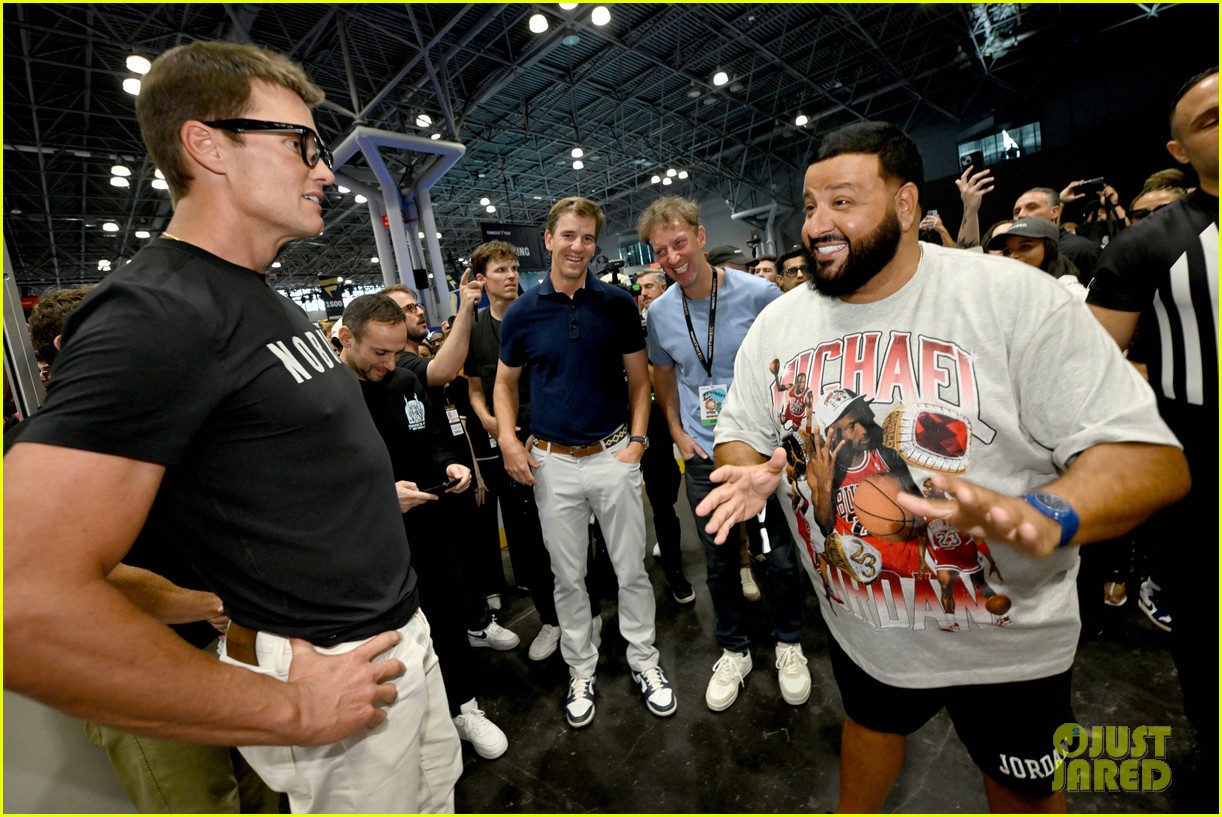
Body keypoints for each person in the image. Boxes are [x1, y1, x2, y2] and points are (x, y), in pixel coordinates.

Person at [3, 41, 462, 813]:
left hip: (395, 640)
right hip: (327, 671)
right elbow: (20, 596)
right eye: (300, 144)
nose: (323, 170)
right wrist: (291, 708)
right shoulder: (156, 313)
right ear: (206, 144)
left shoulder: (261, 298)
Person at [695, 120, 1189, 812]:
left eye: (842, 201)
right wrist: (746, 468)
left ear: (903, 206)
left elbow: (1150, 459)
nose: (817, 224)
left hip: (1006, 641)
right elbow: (742, 428)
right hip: (863, 628)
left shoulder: (1011, 297)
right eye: (810, 206)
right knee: (869, 727)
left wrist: (1049, 512)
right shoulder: (782, 322)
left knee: (1025, 787)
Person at [1086, 67, 1218, 812]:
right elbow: (1091, 376)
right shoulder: (1148, 246)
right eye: (1210, 118)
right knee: (1205, 623)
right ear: (1179, 148)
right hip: (1199, 463)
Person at [493, 196, 676, 728]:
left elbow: (640, 382)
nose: (578, 247)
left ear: (596, 244)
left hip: (612, 456)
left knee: (631, 571)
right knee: (568, 578)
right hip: (551, 464)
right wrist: (508, 438)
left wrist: (638, 442)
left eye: (588, 238)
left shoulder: (618, 304)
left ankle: (645, 660)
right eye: (568, 236)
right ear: (547, 240)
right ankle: (581, 667)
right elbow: (505, 384)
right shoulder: (523, 313)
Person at [638, 196, 809, 712]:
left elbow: (791, 363)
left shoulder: (760, 294)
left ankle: (789, 643)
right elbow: (663, 376)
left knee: (778, 555)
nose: (673, 257)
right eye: (661, 250)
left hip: (761, 449)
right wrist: (673, 429)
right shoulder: (660, 313)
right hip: (702, 450)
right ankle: (734, 649)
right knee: (715, 560)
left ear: (700, 237)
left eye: (680, 243)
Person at [338, 292, 510, 762]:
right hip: (367, 543)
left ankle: (464, 707)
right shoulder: (327, 398)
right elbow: (318, 480)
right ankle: (408, 728)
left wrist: (451, 464)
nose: (390, 363)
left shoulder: (404, 381)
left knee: (447, 619)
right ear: (347, 338)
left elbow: (431, 439)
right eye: (379, 353)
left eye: (397, 352)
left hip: (428, 527)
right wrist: (380, 497)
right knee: (390, 641)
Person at [381, 280, 522, 652]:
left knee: (465, 554)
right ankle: (464, 629)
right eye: (406, 309)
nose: (418, 312)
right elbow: (444, 371)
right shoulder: (399, 369)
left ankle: (475, 621)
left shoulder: (409, 366)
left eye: (415, 305)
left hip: (449, 470)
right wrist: (466, 308)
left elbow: (446, 422)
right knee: (444, 567)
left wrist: (469, 465)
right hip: (416, 493)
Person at [464, 240, 567, 659]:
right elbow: (473, 388)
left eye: (513, 268)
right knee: (525, 543)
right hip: (506, 445)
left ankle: (586, 612)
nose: (510, 276)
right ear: (481, 280)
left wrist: (532, 431)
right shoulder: (474, 329)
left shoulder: (540, 316)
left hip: (549, 438)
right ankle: (550, 620)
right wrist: (494, 423)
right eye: (500, 270)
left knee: (567, 535)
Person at [633, 267, 695, 604]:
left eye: (648, 286)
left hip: (661, 421)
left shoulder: (675, 322)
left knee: (664, 501)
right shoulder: (629, 325)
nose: (643, 293)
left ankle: (675, 573)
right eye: (639, 288)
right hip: (625, 426)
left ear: (663, 288)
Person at [1011, 186, 1102, 277]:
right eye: (1017, 212)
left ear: (1054, 212)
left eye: (1031, 207)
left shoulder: (1083, 249)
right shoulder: (1008, 250)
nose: (1021, 215)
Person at [985, 217, 1087, 295]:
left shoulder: (1071, 295)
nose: (1013, 256)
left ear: (1048, 248)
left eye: (1025, 247)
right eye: (1007, 251)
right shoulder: (1015, 291)